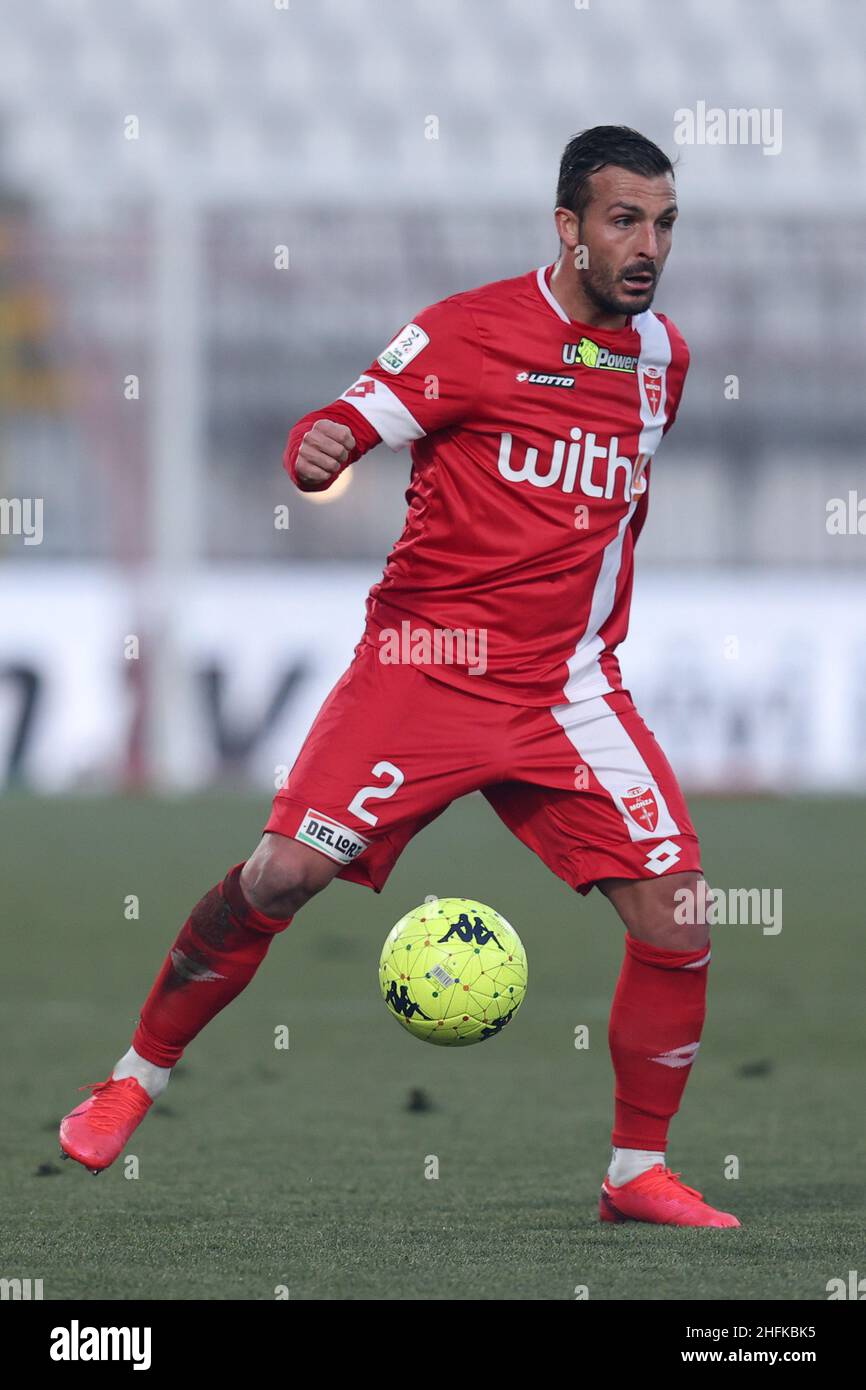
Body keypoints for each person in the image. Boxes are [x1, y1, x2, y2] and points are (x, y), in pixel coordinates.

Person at [60, 125, 739, 1229]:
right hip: (422, 671)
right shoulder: (464, 331)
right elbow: (341, 419)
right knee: (279, 876)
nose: (647, 244)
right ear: (566, 226)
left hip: (566, 688)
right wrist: (318, 448)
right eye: (623, 219)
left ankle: (633, 1174)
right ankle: (132, 1077)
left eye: (664, 223)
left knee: (677, 912)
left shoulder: (662, 359)